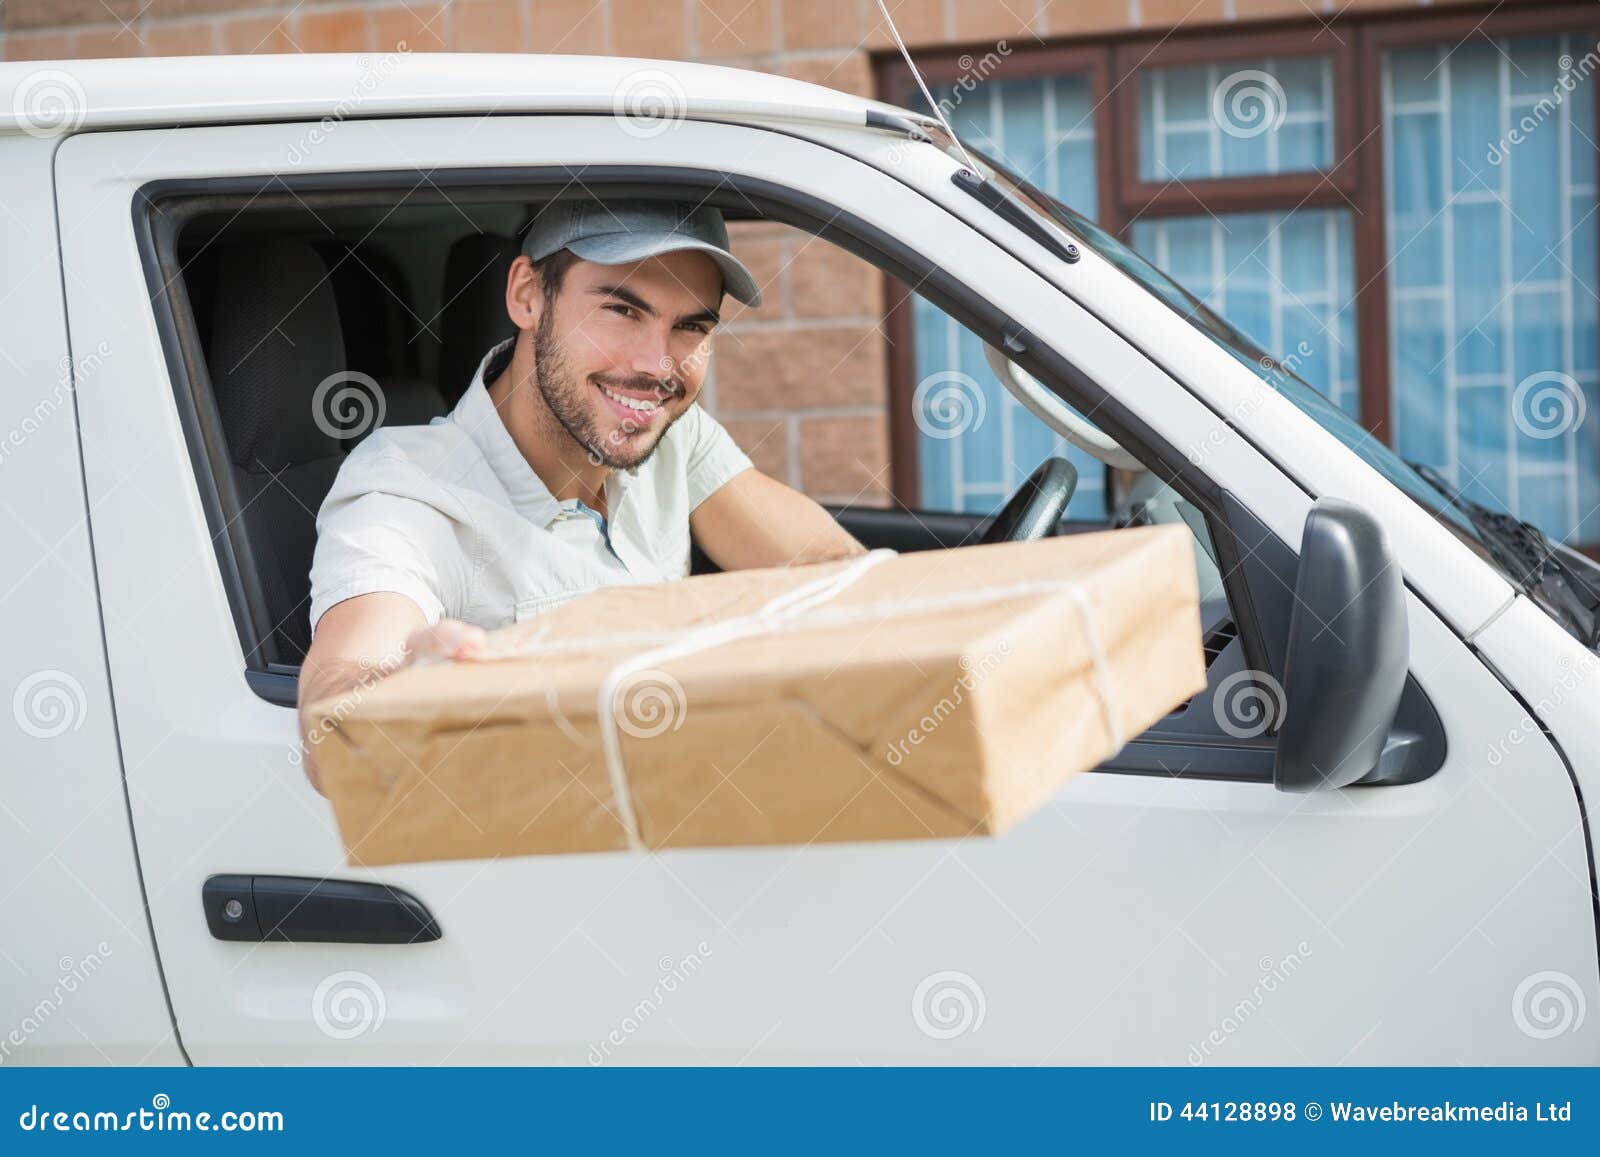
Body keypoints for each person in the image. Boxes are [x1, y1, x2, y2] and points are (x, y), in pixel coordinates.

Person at [298, 201, 864, 790]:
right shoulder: (410, 493)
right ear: (526, 296)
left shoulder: (667, 433)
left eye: (691, 326)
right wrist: (405, 695)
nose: (657, 364)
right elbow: (337, 705)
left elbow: (834, 574)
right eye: (621, 309)